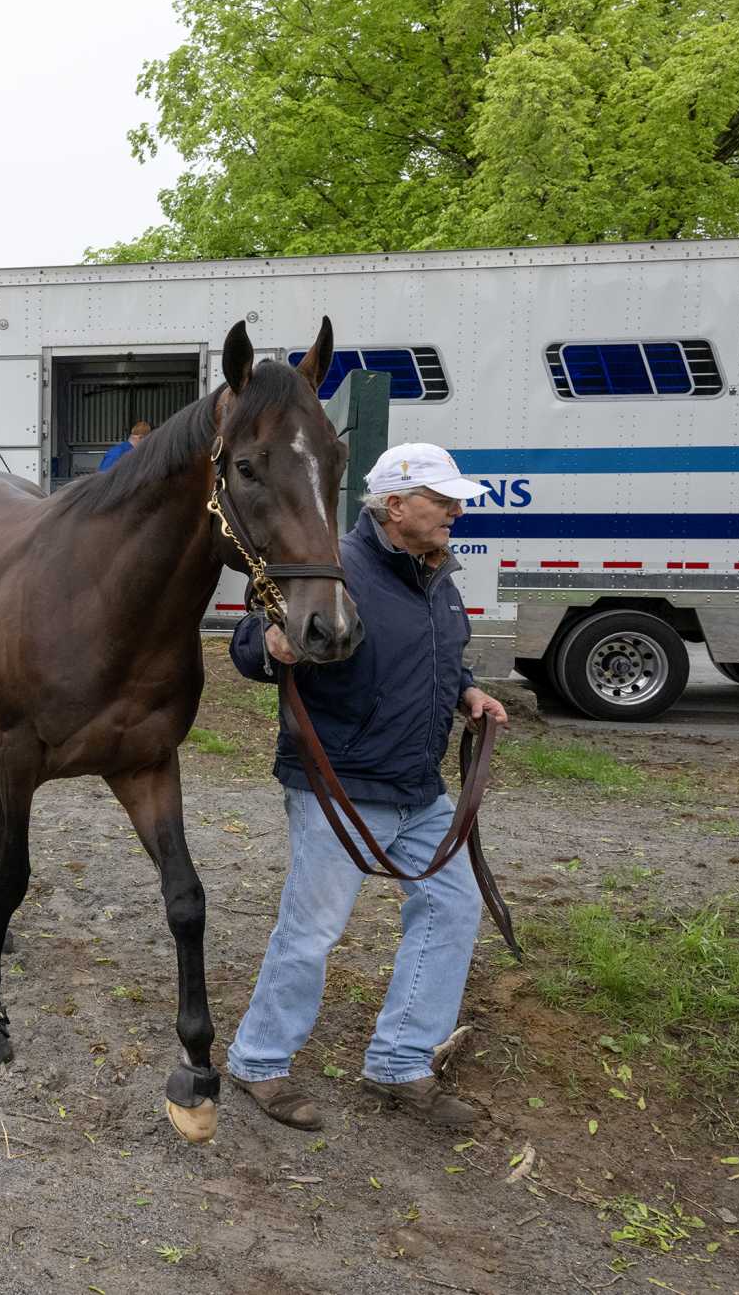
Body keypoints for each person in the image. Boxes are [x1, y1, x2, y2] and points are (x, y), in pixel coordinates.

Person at [224, 441, 509, 1131]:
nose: (456, 511)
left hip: (418, 788)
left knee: (451, 908)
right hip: (342, 786)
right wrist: (272, 646)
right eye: (443, 500)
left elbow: (437, 653)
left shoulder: (434, 574)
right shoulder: (336, 565)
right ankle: (258, 1061)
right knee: (312, 931)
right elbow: (247, 643)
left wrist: (467, 692)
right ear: (395, 505)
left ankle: (401, 1062)